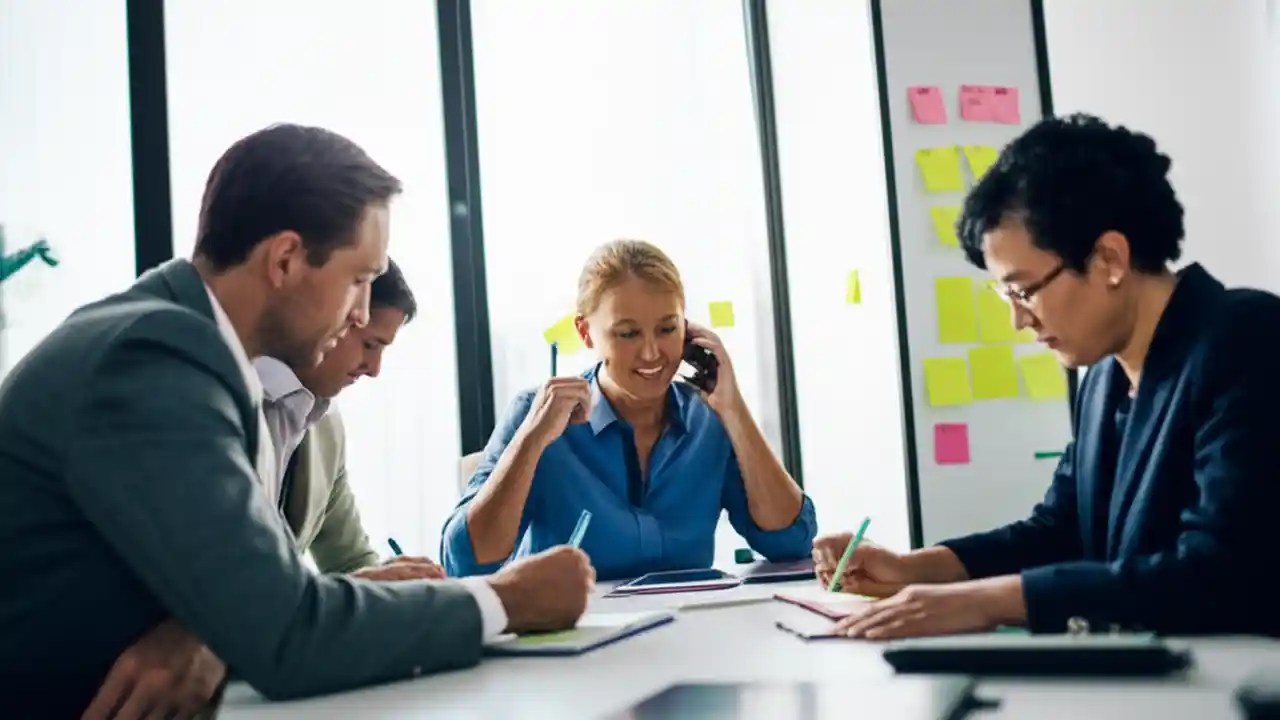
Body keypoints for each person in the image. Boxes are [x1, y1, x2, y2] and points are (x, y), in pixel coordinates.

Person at [0, 124, 594, 719]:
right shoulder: (156, 356)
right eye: (359, 279)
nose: (362, 310)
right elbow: (287, 633)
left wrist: (221, 629)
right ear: (285, 260)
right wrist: (505, 599)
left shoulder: (173, 343)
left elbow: (255, 602)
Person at [813, 114, 1280, 640]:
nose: (1019, 318)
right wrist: (914, 568)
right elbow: (1060, 531)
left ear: (1109, 259)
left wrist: (984, 603)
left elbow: (1220, 574)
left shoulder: (1247, 337)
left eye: (1024, 290)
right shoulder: (1104, 376)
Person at [442, 239, 817, 580]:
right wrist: (531, 441)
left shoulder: (712, 419)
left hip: (688, 636)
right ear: (586, 332)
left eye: (667, 329)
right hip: (572, 640)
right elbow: (465, 562)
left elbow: (789, 540)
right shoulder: (535, 414)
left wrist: (735, 411)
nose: (652, 353)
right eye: (628, 333)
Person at [254, 257, 443, 581]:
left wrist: (398, 583)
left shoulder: (325, 425)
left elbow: (349, 561)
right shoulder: (226, 403)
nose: (374, 368)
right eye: (369, 344)